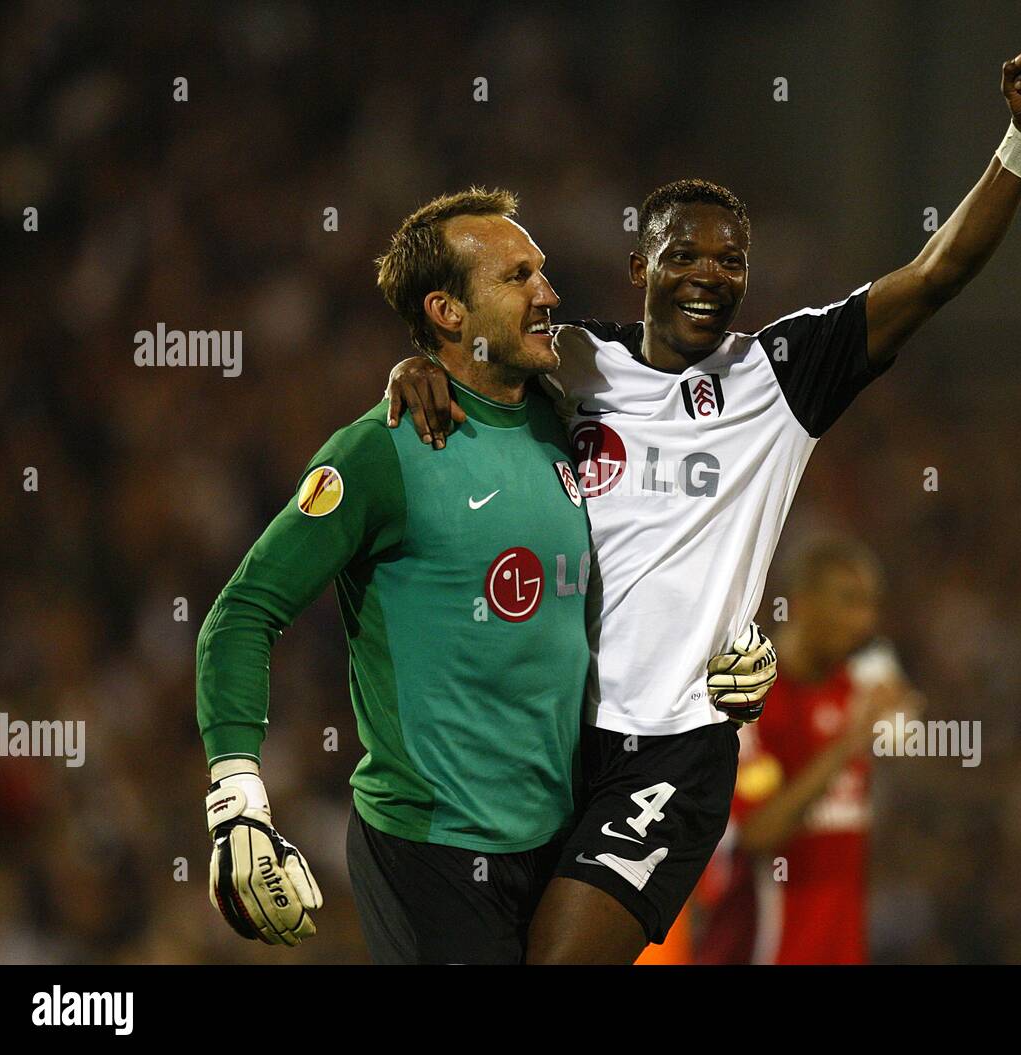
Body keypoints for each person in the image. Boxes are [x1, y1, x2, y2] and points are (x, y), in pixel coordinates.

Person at [387, 51, 1021, 963]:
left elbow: (934, 275)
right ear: (642, 265)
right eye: (685, 254)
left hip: (677, 750)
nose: (709, 274)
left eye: (731, 260)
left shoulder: (781, 376)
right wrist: (414, 369)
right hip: (548, 737)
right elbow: (469, 352)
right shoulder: (577, 364)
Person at [195, 188, 774, 964]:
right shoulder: (379, 451)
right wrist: (238, 803)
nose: (550, 293)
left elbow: (650, 554)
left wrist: (737, 646)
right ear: (448, 310)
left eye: (541, 270)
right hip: (430, 849)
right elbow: (241, 613)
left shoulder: (567, 414)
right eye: (518, 277)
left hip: (559, 835)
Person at [695, 538, 919, 964]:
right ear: (801, 604)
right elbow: (756, 834)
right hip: (766, 946)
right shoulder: (752, 699)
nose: (864, 622)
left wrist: (903, 726)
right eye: (849, 603)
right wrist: (849, 742)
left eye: (872, 605)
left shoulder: (852, 689)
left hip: (842, 948)